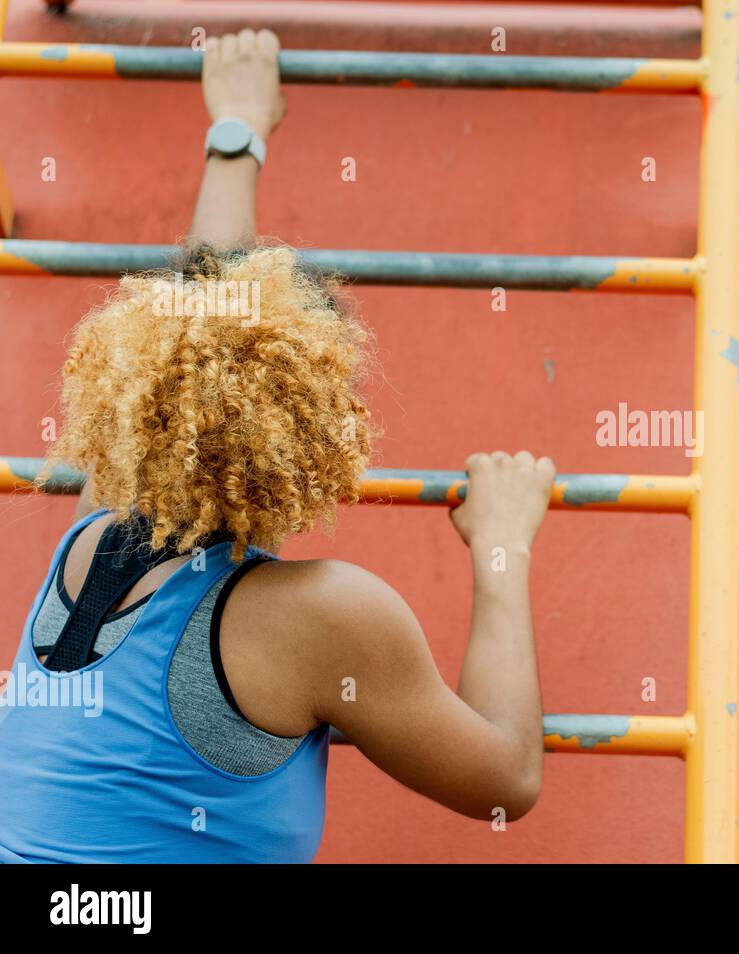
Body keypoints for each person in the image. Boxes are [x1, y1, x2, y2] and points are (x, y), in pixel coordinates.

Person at [0, 30, 553, 863]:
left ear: (140, 406)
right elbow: (507, 779)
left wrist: (238, 131)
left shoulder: (94, 530)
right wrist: (502, 550)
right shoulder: (323, 615)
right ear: (319, 439)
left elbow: (204, 298)